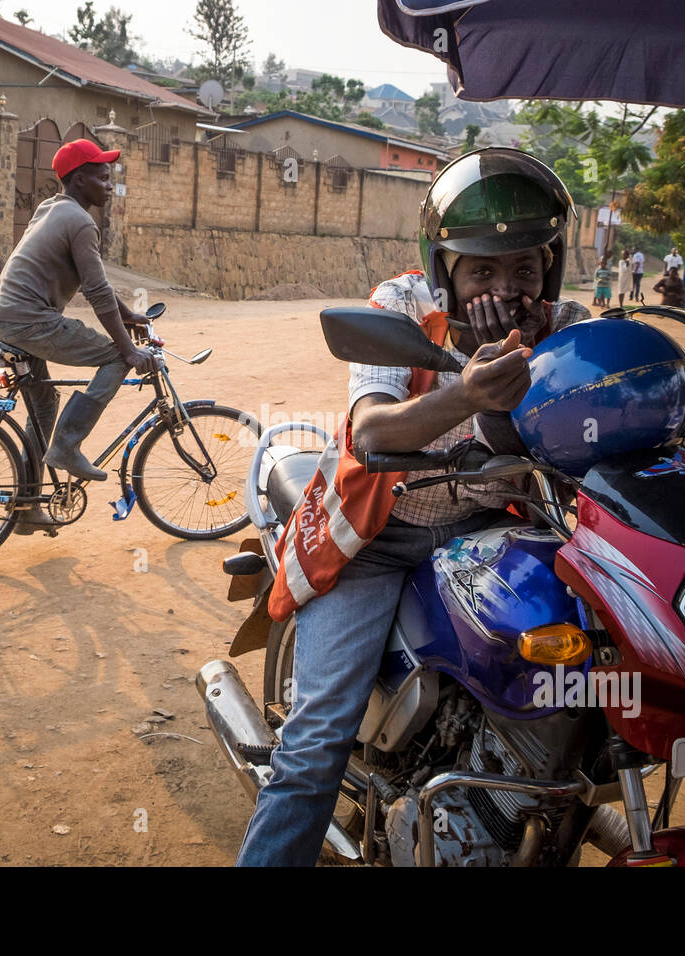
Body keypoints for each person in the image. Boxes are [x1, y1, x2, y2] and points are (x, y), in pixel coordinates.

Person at [235, 147, 590, 867]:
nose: (507, 286)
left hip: (497, 536)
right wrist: (468, 389)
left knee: (574, 698)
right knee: (316, 743)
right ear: (444, 268)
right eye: (483, 270)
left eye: (525, 268)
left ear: (550, 268)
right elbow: (370, 430)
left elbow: (550, 440)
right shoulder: (400, 307)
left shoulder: (568, 325)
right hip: (381, 535)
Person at [0, 139, 154, 530]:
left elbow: (98, 283)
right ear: (80, 180)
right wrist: (128, 348)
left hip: (1, 321)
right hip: (29, 323)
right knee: (114, 357)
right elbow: (95, 293)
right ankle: (67, 445)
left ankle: (25, 510)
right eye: (103, 177)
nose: (109, 185)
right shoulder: (81, 222)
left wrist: (129, 317)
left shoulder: (52, 209)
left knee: (43, 409)